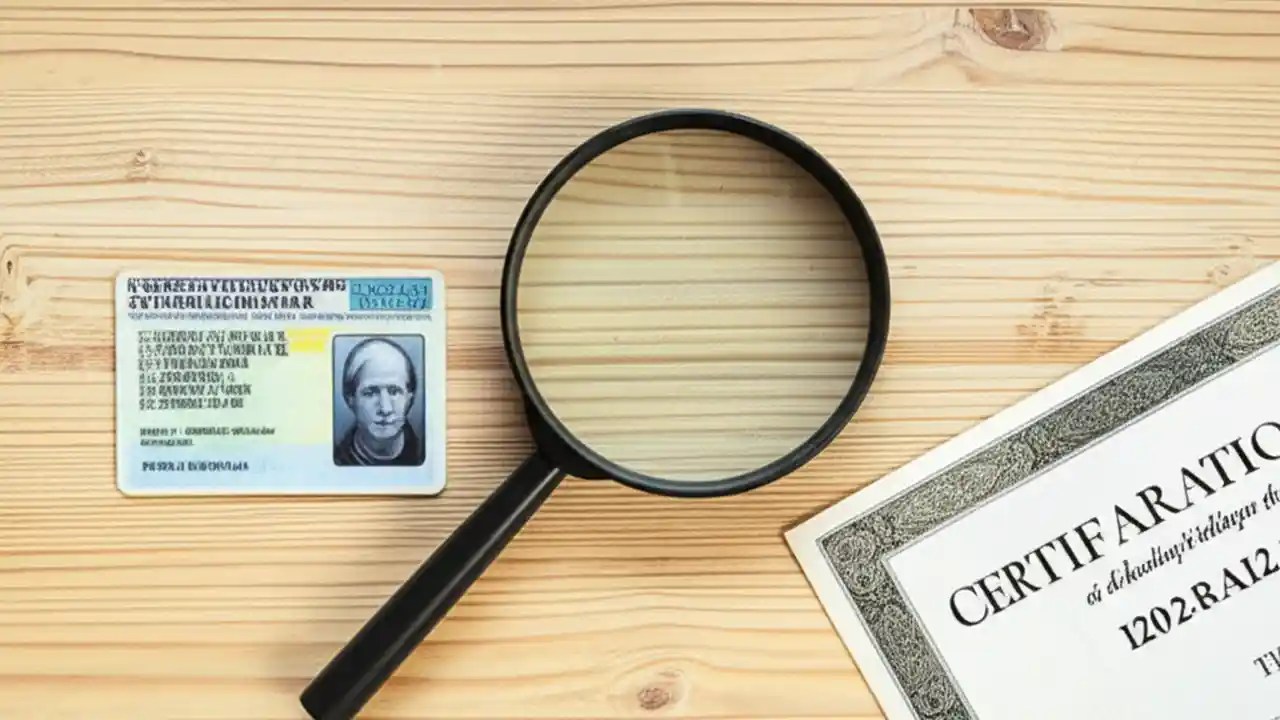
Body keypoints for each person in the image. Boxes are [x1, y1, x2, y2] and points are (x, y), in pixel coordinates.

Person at [334, 337, 424, 466]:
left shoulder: (424, 453)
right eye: (370, 393)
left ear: (409, 398)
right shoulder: (338, 460)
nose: (385, 409)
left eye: (394, 392)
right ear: (351, 399)